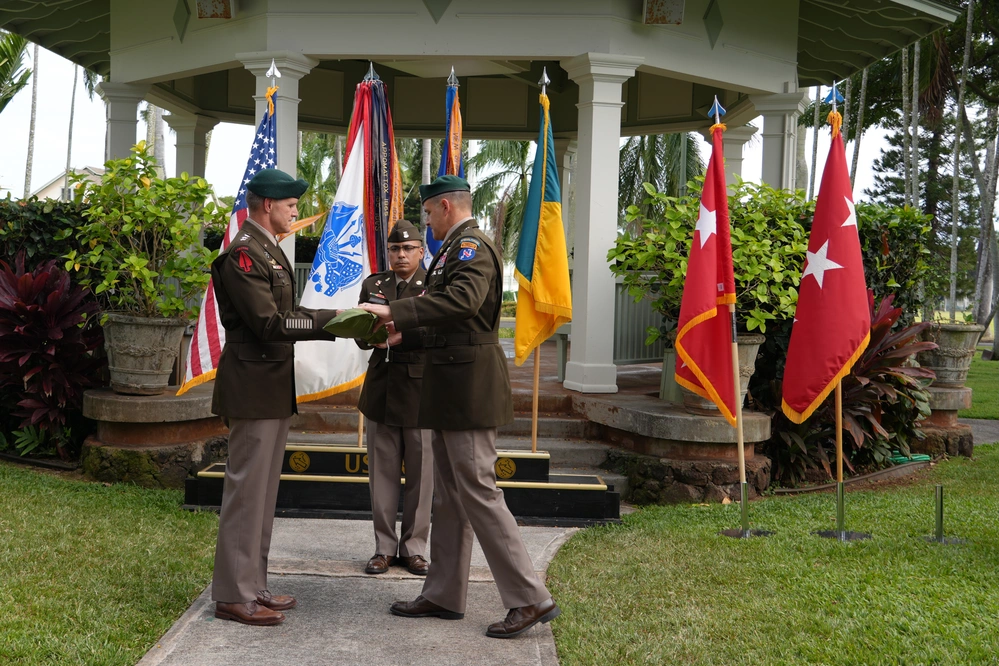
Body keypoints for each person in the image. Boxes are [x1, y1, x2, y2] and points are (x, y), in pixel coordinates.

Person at [360, 175, 560, 639]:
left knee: (479, 491)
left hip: (468, 389)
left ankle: (530, 598)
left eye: (428, 213)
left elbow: (464, 302)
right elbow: (447, 317)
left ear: (446, 206)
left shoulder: (471, 247)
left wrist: (397, 312)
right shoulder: (455, 248)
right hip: (451, 388)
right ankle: (444, 592)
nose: (425, 221)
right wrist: (404, 333)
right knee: (449, 496)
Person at [210, 168, 340, 627]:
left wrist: (342, 320)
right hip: (252, 388)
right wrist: (332, 325)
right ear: (268, 204)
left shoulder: (268, 252)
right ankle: (232, 593)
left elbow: (291, 313)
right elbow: (270, 324)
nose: (295, 211)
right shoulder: (244, 256)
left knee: (262, 494)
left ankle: (252, 584)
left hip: (269, 386)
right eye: (290, 204)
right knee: (246, 492)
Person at [356, 219, 434, 577]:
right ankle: (384, 548)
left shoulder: (433, 284)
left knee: (421, 475)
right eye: (394, 249)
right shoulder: (375, 284)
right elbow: (361, 330)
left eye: (408, 249)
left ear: (421, 251)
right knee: (382, 475)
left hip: (421, 390)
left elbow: (437, 330)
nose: (400, 255)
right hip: (382, 390)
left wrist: (403, 332)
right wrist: (365, 335)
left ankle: (414, 549)